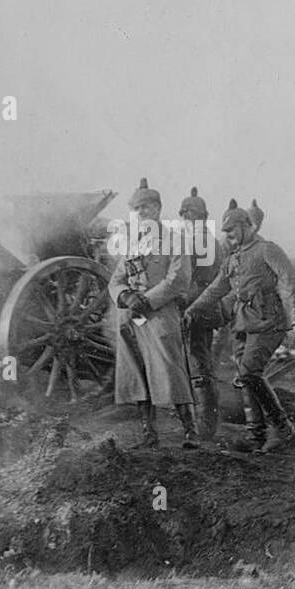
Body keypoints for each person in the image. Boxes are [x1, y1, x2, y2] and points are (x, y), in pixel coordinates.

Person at [185, 199, 295, 454]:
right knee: (245, 377)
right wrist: (193, 309)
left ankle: (283, 429)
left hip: (268, 322)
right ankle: (256, 436)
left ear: (247, 225)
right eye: (225, 233)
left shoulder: (267, 250)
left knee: (250, 372)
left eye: (232, 231)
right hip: (243, 324)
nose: (228, 237)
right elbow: (216, 288)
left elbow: (292, 281)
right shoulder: (233, 258)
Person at [108, 178, 199, 449]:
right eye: (135, 209)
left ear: (158, 209)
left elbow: (178, 280)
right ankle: (149, 433)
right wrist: (125, 295)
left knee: (172, 368)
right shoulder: (132, 244)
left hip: (160, 313)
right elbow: (115, 280)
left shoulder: (175, 240)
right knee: (136, 372)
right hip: (131, 316)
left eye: (144, 208)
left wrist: (145, 300)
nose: (139, 213)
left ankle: (190, 431)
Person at [178, 187, 224, 439]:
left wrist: (185, 300)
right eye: (186, 217)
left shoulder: (206, 242)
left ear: (203, 219)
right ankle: (199, 423)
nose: (189, 221)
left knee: (200, 368)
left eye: (194, 217)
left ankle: (207, 427)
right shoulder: (188, 241)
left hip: (200, 310)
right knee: (191, 366)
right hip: (188, 310)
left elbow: (205, 282)